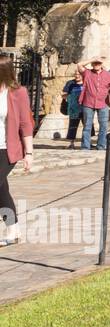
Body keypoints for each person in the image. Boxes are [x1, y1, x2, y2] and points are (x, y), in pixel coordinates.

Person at [0, 54, 35, 247]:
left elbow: (25, 124)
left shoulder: (18, 92)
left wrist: (29, 153)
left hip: (6, 149)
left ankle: (12, 230)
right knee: (2, 190)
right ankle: (13, 230)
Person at [77, 58, 110, 150]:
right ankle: (85, 147)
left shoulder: (108, 75)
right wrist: (92, 59)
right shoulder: (87, 73)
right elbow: (79, 65)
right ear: (92, 64)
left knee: (104, 126)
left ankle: (101, 146)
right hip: (88, 102)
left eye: (98, 63)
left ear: (101, 64)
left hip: (103, 103)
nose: (96, 65)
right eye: (95, 63)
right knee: (87, 126)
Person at [61, 74, 85, 149]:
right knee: (72, 126)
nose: (77, 76)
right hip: (74, 108)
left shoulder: (86, 82)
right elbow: (64, 93)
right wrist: (65, 96)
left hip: (85, 108)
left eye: (79, 74)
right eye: (76, 74)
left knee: (88, 126)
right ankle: (71, 143)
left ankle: (87, 143)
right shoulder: (70, 83)